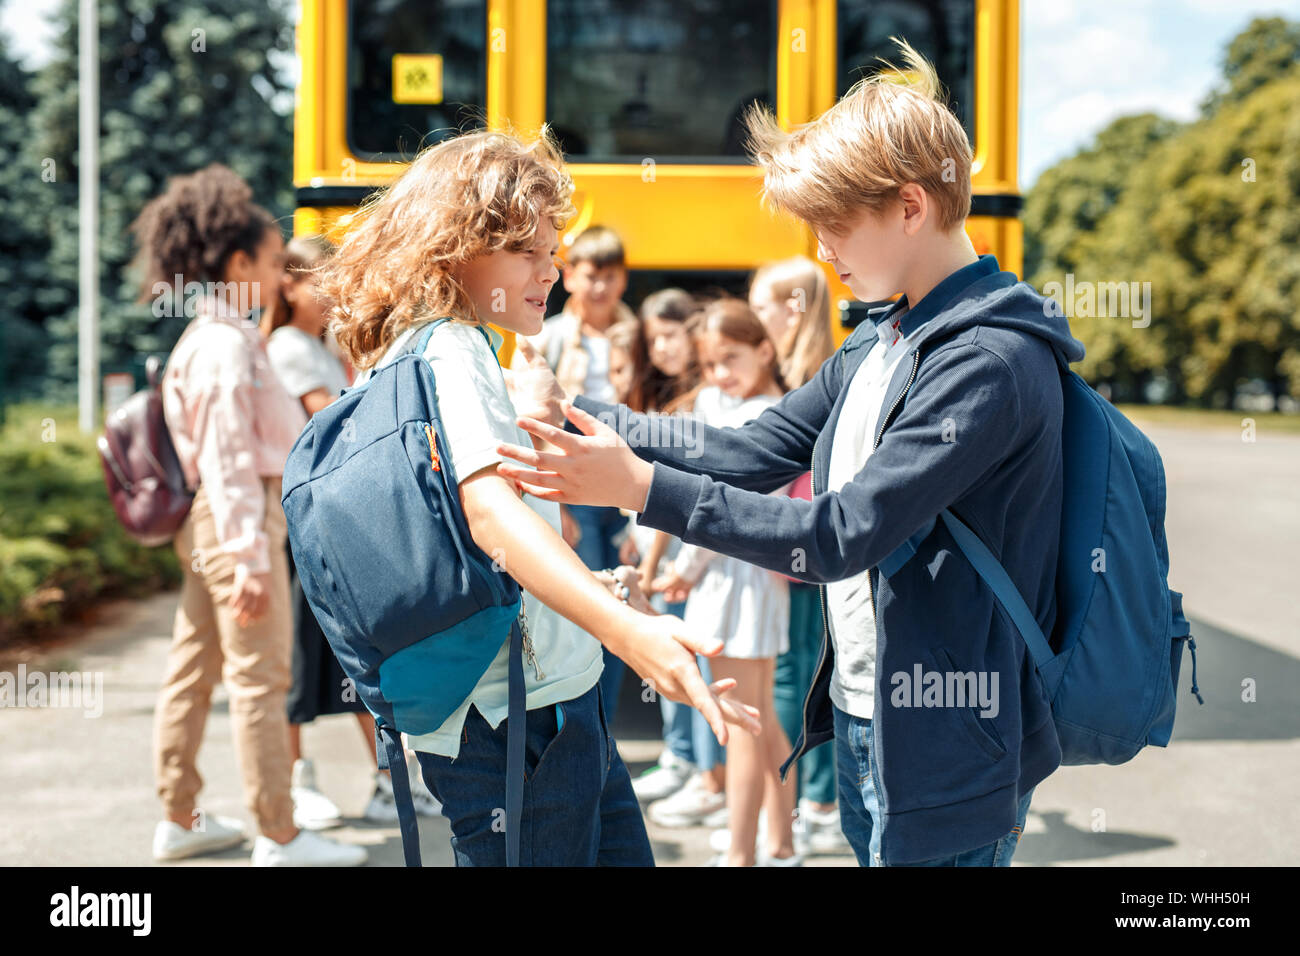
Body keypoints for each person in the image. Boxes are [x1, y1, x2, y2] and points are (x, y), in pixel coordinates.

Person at [494, 39, 1085, 867]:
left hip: (950, 732)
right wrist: (583, 414)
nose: (821, 252)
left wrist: (641, 488)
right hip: (867, 709)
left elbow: (842, 533)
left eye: (833, 225)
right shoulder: (887, 333)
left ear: (910, 206)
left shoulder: (984, 361)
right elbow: (750, 446)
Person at [316, 127, 759, 866]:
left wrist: (605, 593)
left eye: (552, 252)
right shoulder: (455, 351)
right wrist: (628, 635)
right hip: (523, 720)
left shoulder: (436, 352)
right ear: (454, 245)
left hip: (534, 704)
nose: (550, 272)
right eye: (528, 251)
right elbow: (490, 517)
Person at [141, 164, 367, 866]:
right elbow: (231, 460)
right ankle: (278, 833)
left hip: (219, 520)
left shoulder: (220, 341)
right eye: (273, 262)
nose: (280, 276)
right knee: (259, 679)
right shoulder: (225, 348)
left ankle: (180, 816)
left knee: (194, 667)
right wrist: (247, 555)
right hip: (239, 518)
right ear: (239, 263)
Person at [263, 235, 442, 829]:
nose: (331, 288)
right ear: (289, 285)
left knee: (349, 653)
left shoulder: (318, 343)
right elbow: (330, 416)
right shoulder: (288, 345)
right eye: (319, 278)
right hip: (305, 524)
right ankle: (298, 780)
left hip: (330, 517)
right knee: (299, 656)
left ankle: (386, 780)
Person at [645, 300, 798, 866]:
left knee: (742, 723)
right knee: (758, 719)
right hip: (735, 577)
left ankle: (743, 855)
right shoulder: (727, 403)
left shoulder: (764, 411)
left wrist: (682, 570)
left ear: (764, 350)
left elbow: (729, 508)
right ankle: (777, 843)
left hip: (738, 579)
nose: (719, 374)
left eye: (730, 358)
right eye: (709, 363)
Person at [515, 225, 638, 724]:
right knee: (587, 606)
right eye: (591, 276)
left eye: (610, 276)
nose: (600, 288)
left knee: (626, 600)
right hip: (576, 486)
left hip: (623, 485)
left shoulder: (633, 334)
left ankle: (604, 716)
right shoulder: (553, 334)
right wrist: (556, 502)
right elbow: (537, 420)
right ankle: (585, 724)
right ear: (571, 279)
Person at [747, 257, 847, 854]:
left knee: (798, 669)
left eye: (761, 307)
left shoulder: (804, 377)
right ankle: (815, 795)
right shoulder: (820, 368)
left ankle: (816, 798)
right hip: (810, 540)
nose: (755, 321)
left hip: (800, 544)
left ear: (791, 309)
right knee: (810, 666)